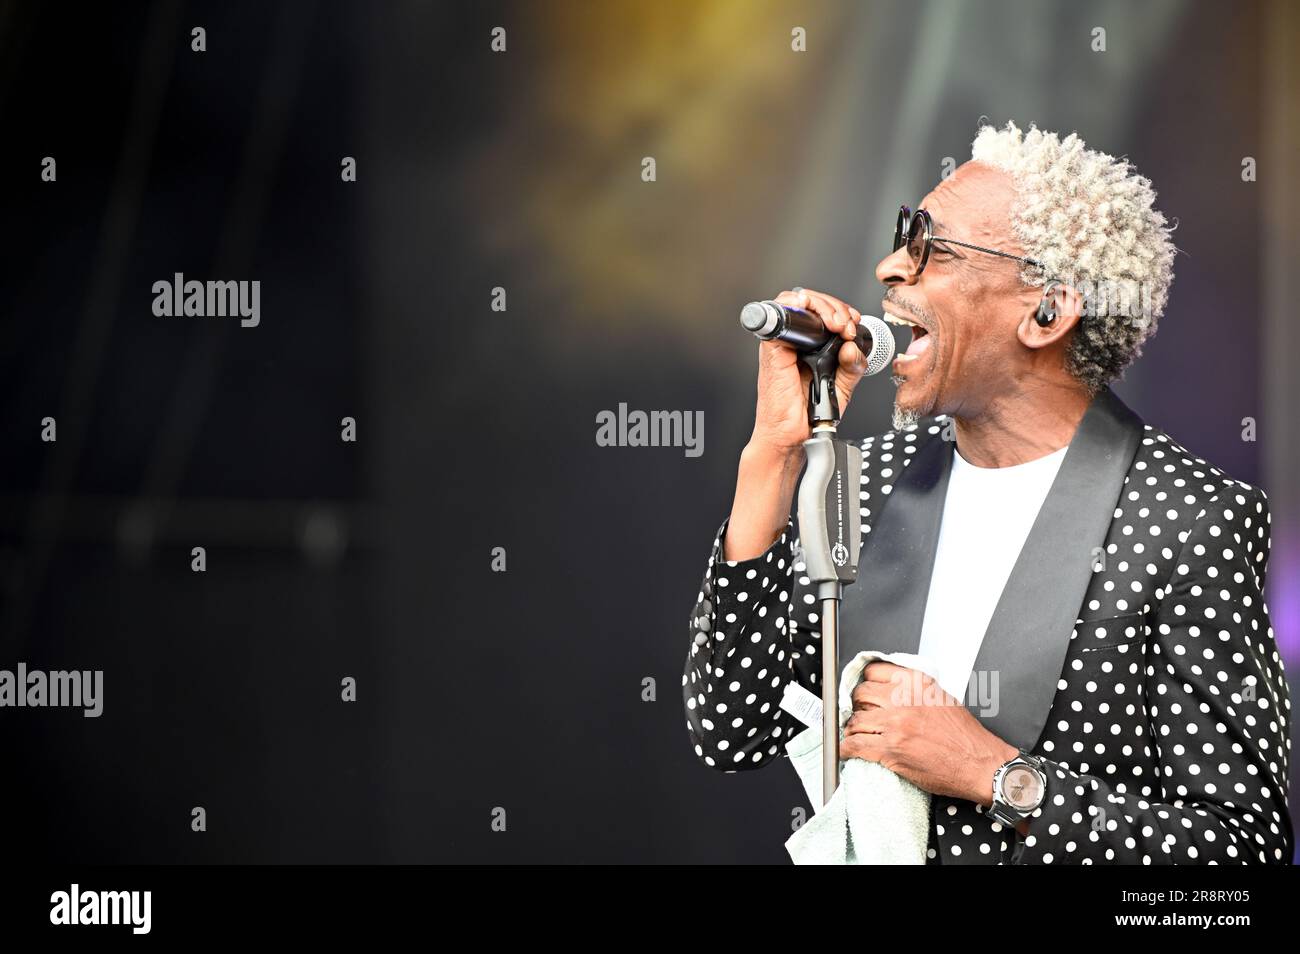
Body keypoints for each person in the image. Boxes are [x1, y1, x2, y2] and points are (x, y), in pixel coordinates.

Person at [682, 120, 1293, 864]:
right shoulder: (873, 477)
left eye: (928, 247)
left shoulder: (1185, 521)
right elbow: (730, 729)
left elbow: (1241, 854)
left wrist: (995, 775)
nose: (887, 268)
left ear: (1047, 311)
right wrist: (772, 456)